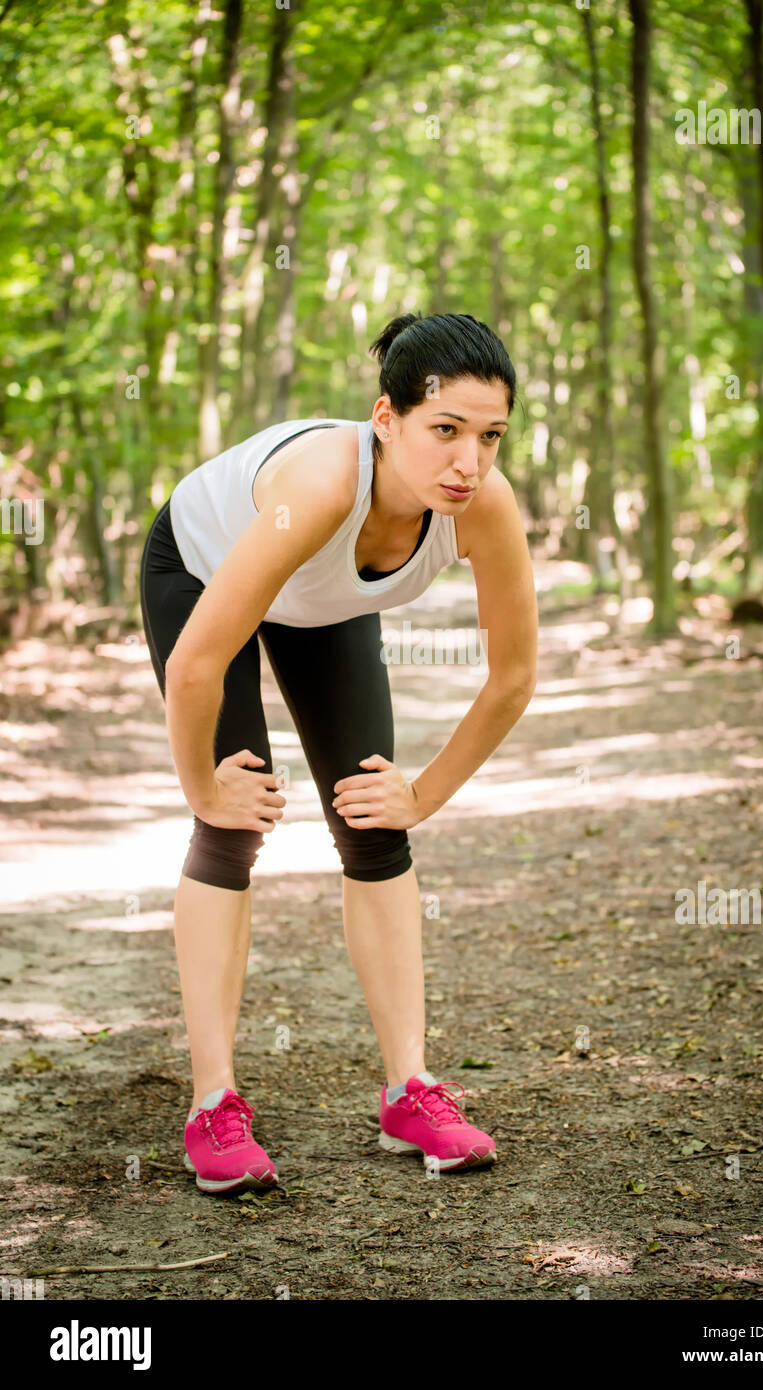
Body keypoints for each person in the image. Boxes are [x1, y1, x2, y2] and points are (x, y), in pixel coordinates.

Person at [138, 311, 537, 1195]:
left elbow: (511, 678)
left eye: (489, 435)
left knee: (372, 820)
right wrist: (201, 787)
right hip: (202, 572)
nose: (468, 462)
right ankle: (213, 1105)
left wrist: (422, 793)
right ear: (384, 421)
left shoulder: (484, 507)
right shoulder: (323, 484)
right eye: (444, 431)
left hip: (322, 598)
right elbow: (199, 659)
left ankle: (410, 1089)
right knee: (232, 829)